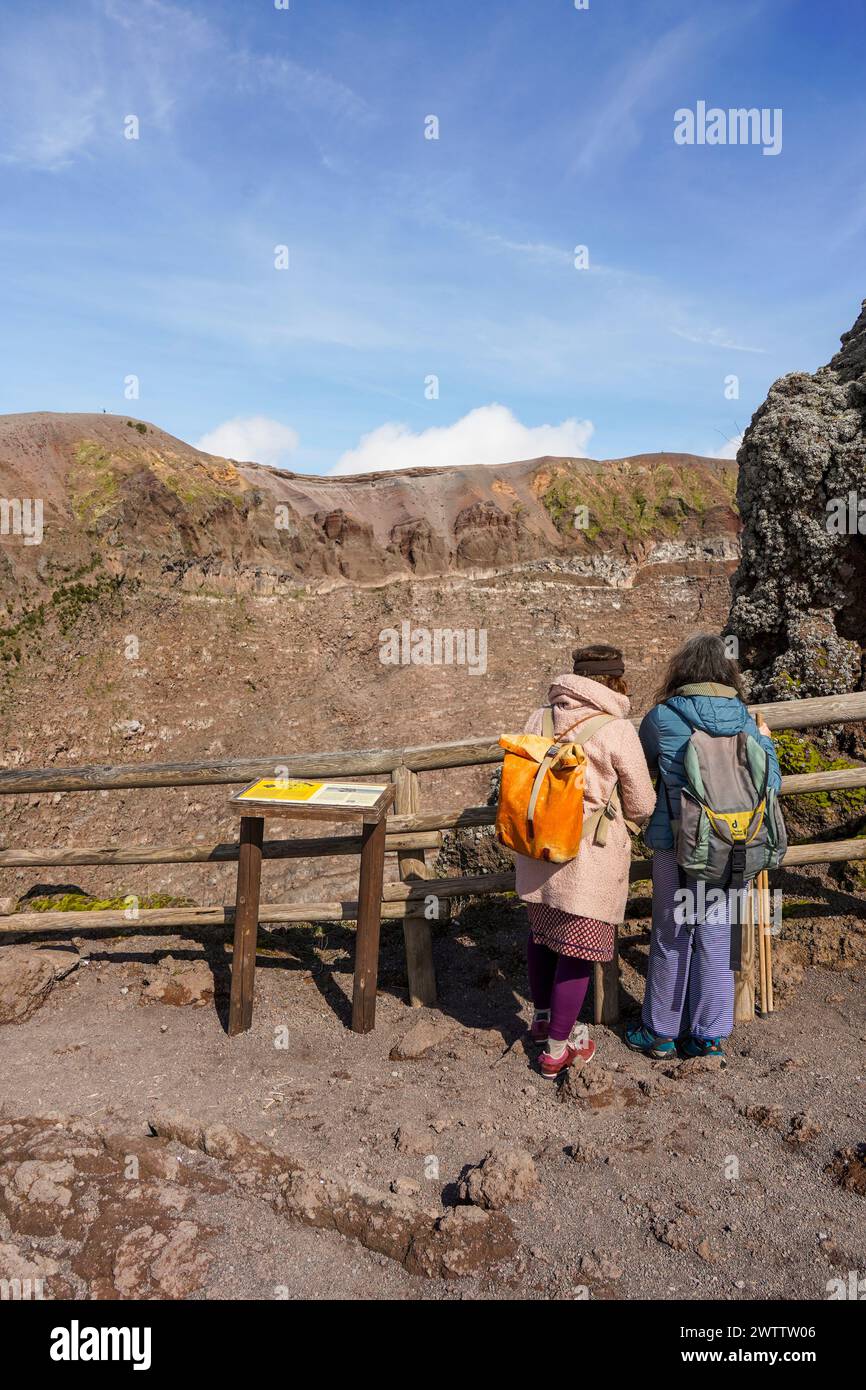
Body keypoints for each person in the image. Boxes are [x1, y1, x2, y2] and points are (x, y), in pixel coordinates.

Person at [626, 633, 781, 1062]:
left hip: (675, 845)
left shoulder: (662, 716)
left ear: (682, 671)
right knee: (715, 935)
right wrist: (765, 739)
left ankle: (660, 1034)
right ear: (726, 673)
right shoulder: (745, 720)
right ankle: (708, 1037)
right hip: (732, 847)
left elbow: (640, 775)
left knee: (672, 934)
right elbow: (771, 782)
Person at [516, 644, 656, 1077]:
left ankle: (542, 1022)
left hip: (537, 850)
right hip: (587, 859)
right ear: (616, 681)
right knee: (577, 951)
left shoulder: (538, 717)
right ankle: (560, 1048)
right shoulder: (615, 729)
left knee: (543, 937)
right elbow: (641, 804)